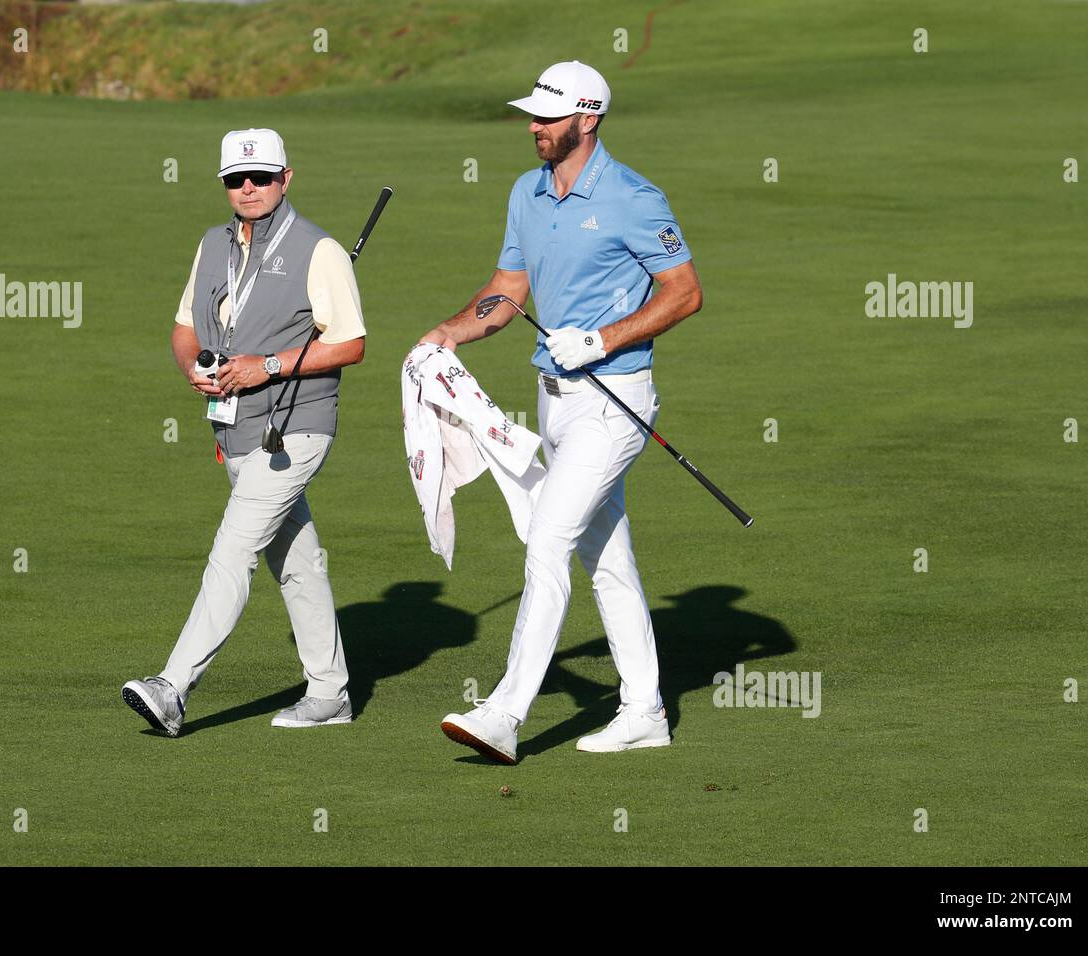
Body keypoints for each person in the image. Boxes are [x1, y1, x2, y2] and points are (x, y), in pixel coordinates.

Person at [419, 62, 703, 764]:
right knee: (605, 559)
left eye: (548, 117)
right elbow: (508, 291)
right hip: (555, 403)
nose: (534, 127)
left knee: (547, 542)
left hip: (615, 405)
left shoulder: (635, 197)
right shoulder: (528, 191)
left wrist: (602, 338)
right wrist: (448, 333)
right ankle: (644, 710)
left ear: (589, 117)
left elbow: (685, 293)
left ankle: (505, 713)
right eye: (533, 116)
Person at [122, 127, 365, 736]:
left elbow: (351, 344)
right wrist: (196, 372)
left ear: (287, 178)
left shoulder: (320, 250)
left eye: (261, 177)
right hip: (236, 428)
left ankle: (173, 687)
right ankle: (331, 692)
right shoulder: (212, 245)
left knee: (233, 548)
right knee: (298, 564)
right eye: (236, 179)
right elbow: (184, 327)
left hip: (295, 429)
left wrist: (269, 366)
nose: (248, 188)